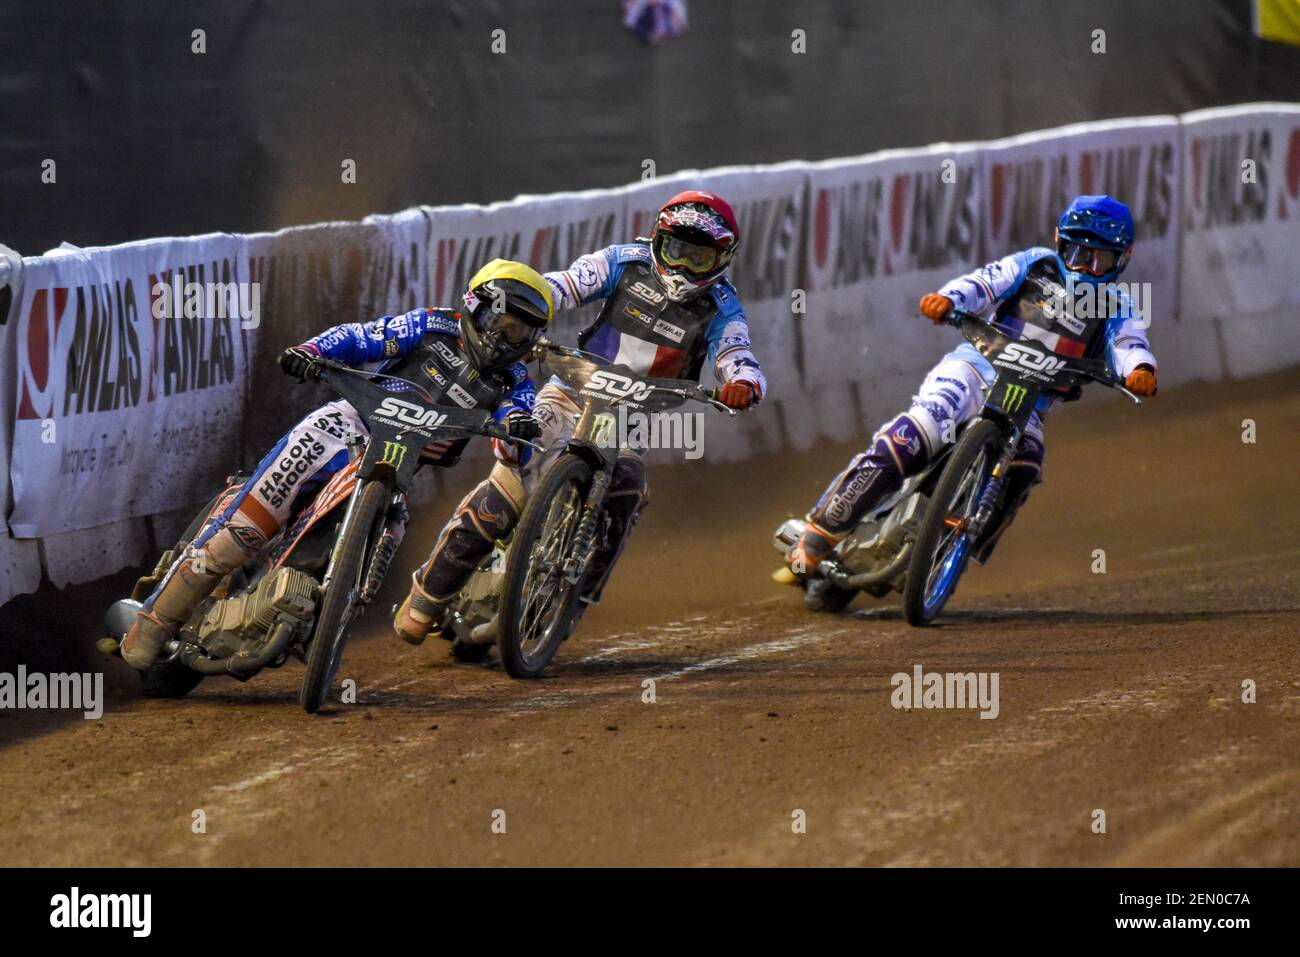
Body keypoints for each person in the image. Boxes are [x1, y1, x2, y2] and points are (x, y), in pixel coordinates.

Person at [121, 259, 552, 670]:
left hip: (397, 473)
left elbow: (516, 446)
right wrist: (311, 351)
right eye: (500, 322)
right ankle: (154, 621)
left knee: (392, 531)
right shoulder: (431, 326)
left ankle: (328, 614)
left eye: (518, 332)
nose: (502, 338)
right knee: (247, 529)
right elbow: (362, 337)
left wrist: (518, 426)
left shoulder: (515, 383)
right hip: (343, 428)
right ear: (475, 308)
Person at [393, 190, 767, 643]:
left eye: (700, 256)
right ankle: (429, 594)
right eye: (677, 251)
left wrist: (743, 383)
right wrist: (518, 312)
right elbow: (561, 286)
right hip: (572, 389)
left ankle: (576, 599)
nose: (686, 266)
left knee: (627, 487)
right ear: (658, 241)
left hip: (634, 413)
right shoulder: (621, 262)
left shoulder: (722, 307)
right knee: (513, 476)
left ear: (723, 257)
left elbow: (736, 351)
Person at [785, 194, 1159, 579]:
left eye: (1098, 258)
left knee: (1027, 466)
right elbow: (983, 283)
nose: (1083, 266)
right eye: (1076, 251)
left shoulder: (1118, 305)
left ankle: (960, 549)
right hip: (974, 371)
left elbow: (1129, 344)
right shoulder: (1035, 264)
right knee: (917, 432)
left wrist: (1140, 368)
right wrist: (948, 299)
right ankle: (818, 535)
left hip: (1029, 405)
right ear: (1058, 241)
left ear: (1123, 258)